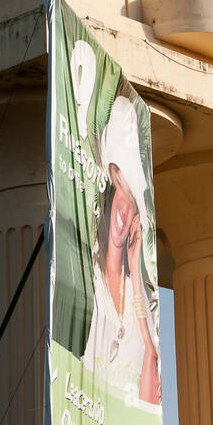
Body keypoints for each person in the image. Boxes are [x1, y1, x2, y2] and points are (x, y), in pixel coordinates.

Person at [83, 96, 161, 406]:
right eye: (120, 194)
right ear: (110, 189)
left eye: (131, 205)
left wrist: (136, 271)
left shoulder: (134, 295)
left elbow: (152, 359)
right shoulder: (87, 272)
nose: (123, 210)